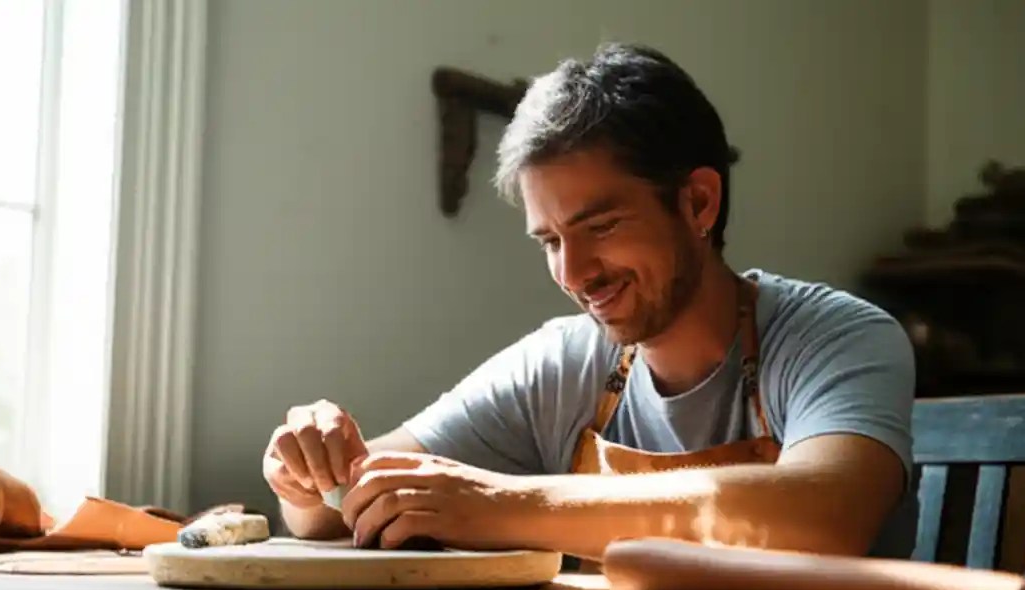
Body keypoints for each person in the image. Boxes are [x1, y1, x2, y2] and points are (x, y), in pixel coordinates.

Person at [262, 43, 917, 562]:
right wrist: (312, 474)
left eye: (600, 227)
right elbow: (344, 506)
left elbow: (825, 515)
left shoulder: (838, 337)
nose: (574, 273)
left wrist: (497, 504)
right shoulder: (561, 364)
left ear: (698, 203)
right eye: (550, 240)